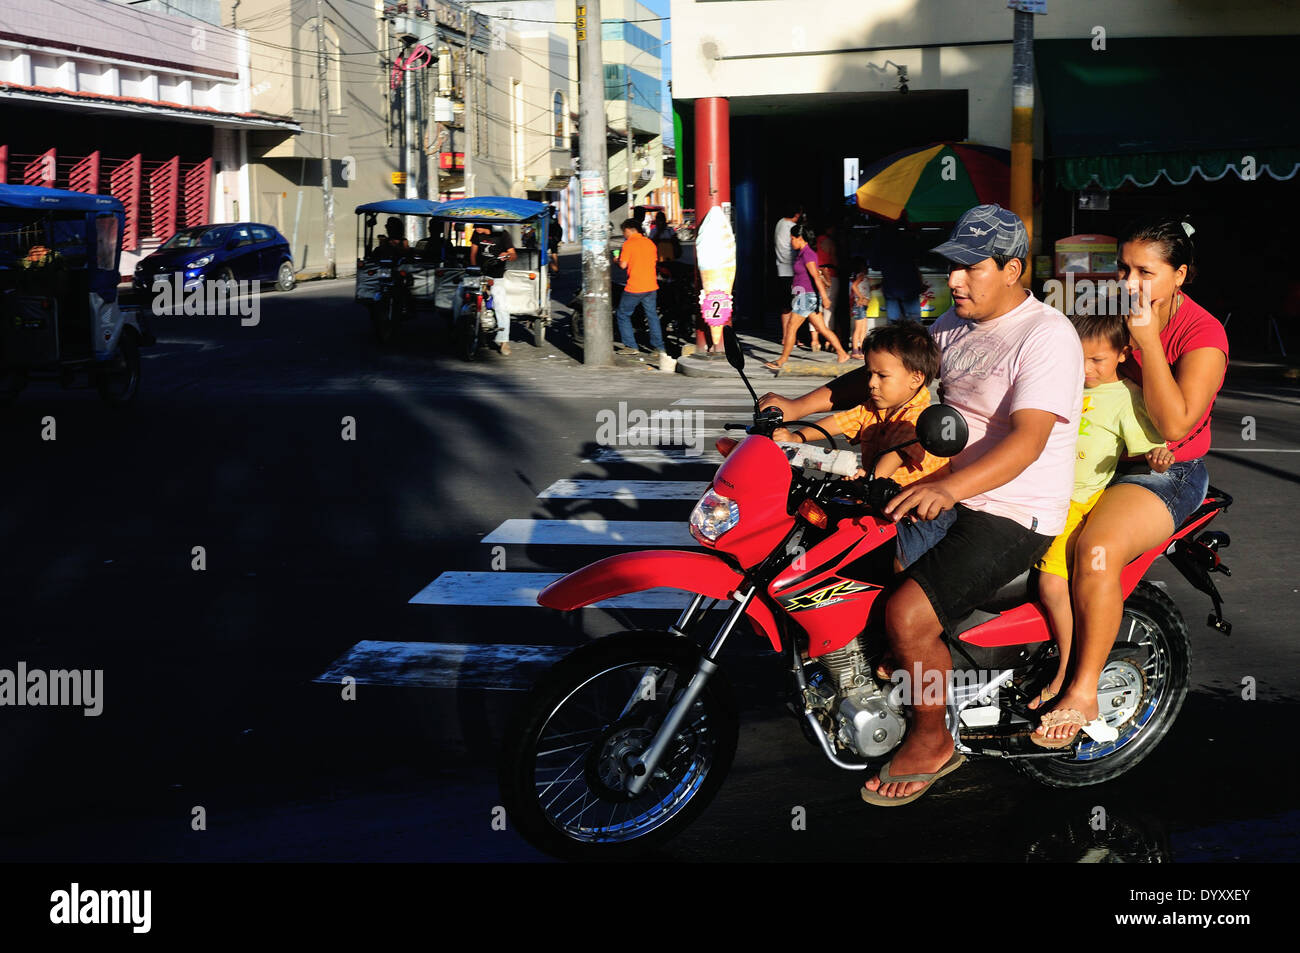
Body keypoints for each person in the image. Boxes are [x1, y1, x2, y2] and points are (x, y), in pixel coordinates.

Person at [852, 204, 1082, 805]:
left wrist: (947, 488)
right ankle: (892, 671)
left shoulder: (1046, 335)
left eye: (968, 269)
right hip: (950, 484)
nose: (953, 281)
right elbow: (890, 373)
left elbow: (1029, 442)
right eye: (950, 268)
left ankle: (933, 740)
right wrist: (795, 418)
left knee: (908, 615)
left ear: (1012, 268)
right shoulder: (953, 324)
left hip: (1014, 507)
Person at [1034, 217, 1228, 747]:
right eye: (1123, 267)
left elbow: (1174, 425)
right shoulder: (1106, 308)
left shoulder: (1202, 334)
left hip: (1164, 471)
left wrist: (1147, 339)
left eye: (1146, 270)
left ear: (1179, 275)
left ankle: (1084, 689)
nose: (1128, 280)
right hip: (1089, 459)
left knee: (1095, 550)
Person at [1027, 311, 1173, 738]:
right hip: (1043, 492)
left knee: (1056, 585)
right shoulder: (1061, 385)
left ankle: (1070, 675)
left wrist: (1159, 456)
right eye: (1079, 360)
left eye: (1098, 361)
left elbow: (1149, 445)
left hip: (1081, 500)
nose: (1087, 371)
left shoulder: (1126, 396)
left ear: (1122, 355)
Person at [772, 322, 947, 487]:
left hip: (914, 506)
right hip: (875, 491)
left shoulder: (915, 419)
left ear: (915, 379)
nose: (871, 383)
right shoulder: (873, 408)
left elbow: (893, 456)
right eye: (870, 374)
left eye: (882, 376)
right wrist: (795, 438)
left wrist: (868, 476)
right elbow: (838, 422)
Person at [763, 225, 849, 370]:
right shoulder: (802, 254)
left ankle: (782, 360)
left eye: (792, 238)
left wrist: (825, 298)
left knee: (791, 328)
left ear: (800, 238)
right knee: (822, 328)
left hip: (806, 297)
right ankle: (842, 353)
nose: (791, 242)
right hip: (804, 296)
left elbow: (816, 277)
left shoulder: (808, 254)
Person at [614, 217, 665, 357]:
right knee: (652, 316)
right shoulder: (650, 243)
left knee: (623, 314)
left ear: (630, 230)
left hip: (635, 287)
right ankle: (659, 348)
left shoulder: (628, 244)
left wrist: (616, 260)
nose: (624, 234)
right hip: (651, 285)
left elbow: (623, 265)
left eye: (624, 231)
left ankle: (631, 346)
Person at [470, 221, 517, 356]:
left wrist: (506, 255)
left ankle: (503, 341)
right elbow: (473, 253)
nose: (475, 228)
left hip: (496, 277)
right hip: (479, 274)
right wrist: (474, 269)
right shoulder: (476, 234)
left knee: (501, 306)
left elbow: (513, 255)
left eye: (478, 225)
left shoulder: (503, 235)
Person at [875, 223, 923, 322]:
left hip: (890, 287)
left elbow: (874, 265)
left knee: (893, 322)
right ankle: (915, 337)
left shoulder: (881, 246)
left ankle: (895, 338)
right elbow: (917, 261)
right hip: (910, 286)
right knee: (913, 320)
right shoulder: (908, 242)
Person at [773, 206, 800, 335]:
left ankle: (786, 335)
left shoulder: (779, 223)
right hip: (790, 268)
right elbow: (789, 249)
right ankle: (791, 335)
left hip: (781, 268)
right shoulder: (790, 227)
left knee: (785, 305)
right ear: (796, 215)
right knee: (794, 304)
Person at [848, 256, 871, 359]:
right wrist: (861, 297)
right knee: (858, 328)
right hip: (859, 304)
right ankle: (855, 350)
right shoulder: (861, 275)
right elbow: (854, 286)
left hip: (863, 305)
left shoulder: (863, 277)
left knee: (863, 328)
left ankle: (861, 349)